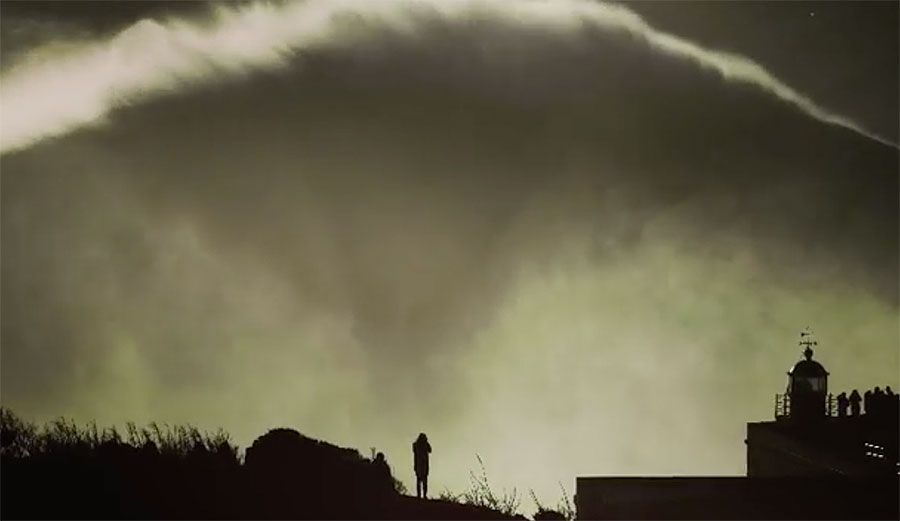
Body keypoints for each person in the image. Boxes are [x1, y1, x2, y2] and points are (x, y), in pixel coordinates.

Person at [412, 433, 432, 499]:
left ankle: (423, 495)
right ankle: (420, 495)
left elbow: (430, 450)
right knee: (420, 481)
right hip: (420, 464)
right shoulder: (416, 445)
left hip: (423, 465)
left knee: (423, 481)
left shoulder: (423, 445)